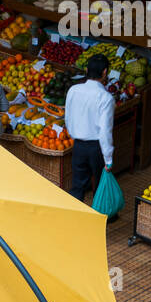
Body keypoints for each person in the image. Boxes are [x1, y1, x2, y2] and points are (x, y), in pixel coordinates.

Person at [64, 52, 115, 203]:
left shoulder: (74, 90)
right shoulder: (106, 98)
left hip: (78, 145)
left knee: (77, 186)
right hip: (97, 148)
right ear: (105, 72)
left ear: (86, 70)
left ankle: (76, 216)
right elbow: (105, 130)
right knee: (100, 187)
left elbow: (68, 117)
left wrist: (75, 136)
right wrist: (108, 158)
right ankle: (99, 218)